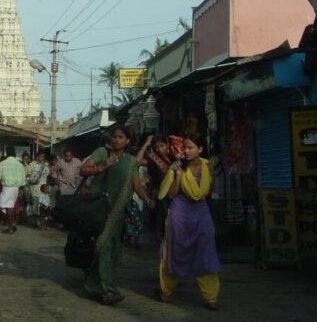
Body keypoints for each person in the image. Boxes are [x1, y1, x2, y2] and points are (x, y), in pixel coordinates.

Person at [79, 125, 152, 306]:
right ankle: (107, 288)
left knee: (110, 250)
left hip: (118, 211)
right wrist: (102, 168)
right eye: (114, 136)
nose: (117, 139)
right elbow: (84, 170)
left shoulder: (130, 161)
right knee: (101, 246)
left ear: (127, 141)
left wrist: (148, 199)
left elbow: (136, 184)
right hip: (99, 208)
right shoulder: (102, 153)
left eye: (121, 137)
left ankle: (97, 286)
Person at [157, 133, 221, 310]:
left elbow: (205, 192)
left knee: (206, 251)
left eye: (190, 147)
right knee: (174, 251)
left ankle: (211, 297)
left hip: (201, 213)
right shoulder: (176, 166)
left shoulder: (207, 165)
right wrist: (178, 175)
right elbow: (170, 194)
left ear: (200, 149)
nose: (186, 151)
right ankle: (166, 290)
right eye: (184, 147)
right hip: (180, 213)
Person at [140, 134, 173, 244]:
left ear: (167, 144)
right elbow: (137, 160)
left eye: (162, 146)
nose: (159, 149)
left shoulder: (175, 156)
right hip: (160, 195)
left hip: (177, 194)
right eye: (156, 147)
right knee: (160, 222)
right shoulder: (153, 160)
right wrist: (146, 144)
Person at [0, 145, 26, 234]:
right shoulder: (19, 164)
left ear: (6, 153)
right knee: (10, 206)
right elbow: (23, 179)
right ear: (14, 153)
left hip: (7, 187)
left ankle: (11, 226)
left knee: (7, 207)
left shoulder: (3, 163)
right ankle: (12, 224)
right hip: (16, 188)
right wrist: (21, 189)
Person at [26, 151, 49, 228]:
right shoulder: (31, 165)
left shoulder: (45, 165)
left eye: (43, 156)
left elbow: (47, 174)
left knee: (43, 203)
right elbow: (28, 176)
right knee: (35, 203)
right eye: (41, 156)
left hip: (43, 186)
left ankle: (41, 222)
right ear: (37, 156)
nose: (42, 158)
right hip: (34, 187)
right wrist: (32, 179)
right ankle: (34, 221)